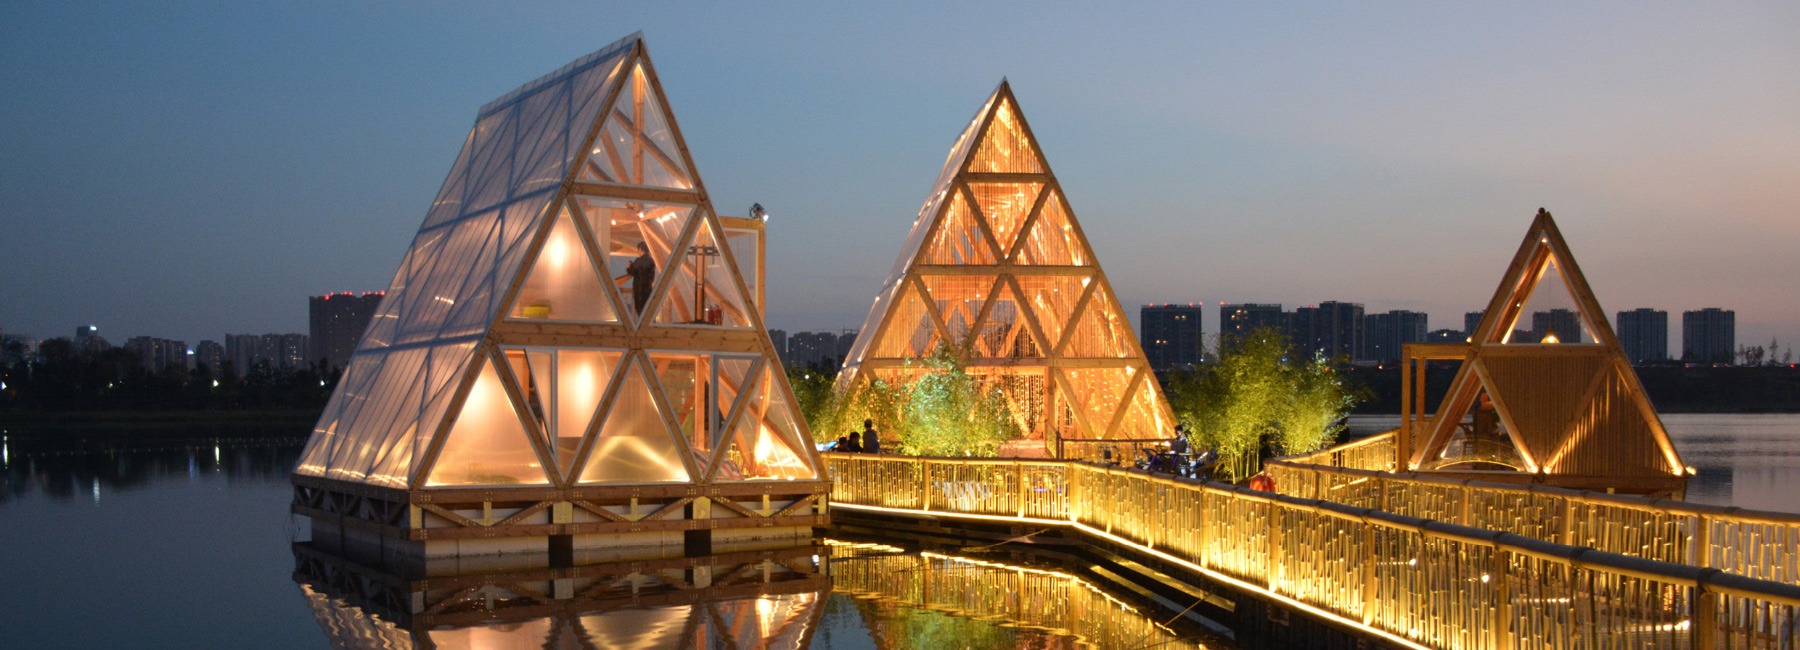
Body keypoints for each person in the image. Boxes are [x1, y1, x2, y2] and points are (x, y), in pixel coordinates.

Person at [621, 242, 656, 315]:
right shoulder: (651, 261)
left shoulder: (639, 261)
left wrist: (629, 266)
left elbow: (632, 271)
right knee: (648, 311)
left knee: (640, 310)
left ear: (640, 249)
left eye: (638, 250)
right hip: (648, 289)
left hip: (639, 290)